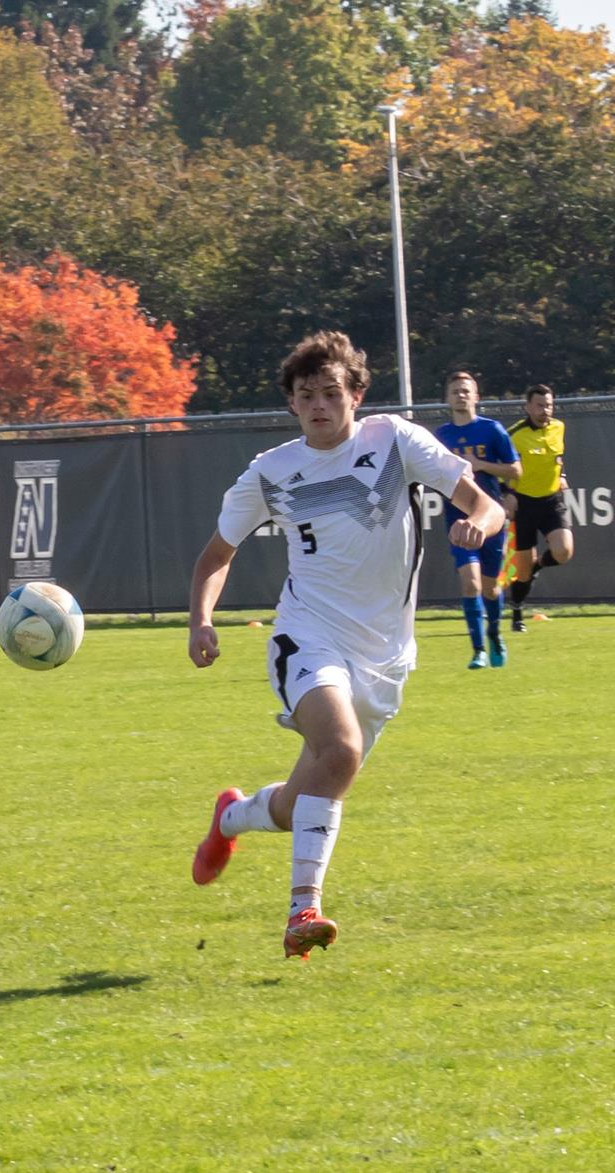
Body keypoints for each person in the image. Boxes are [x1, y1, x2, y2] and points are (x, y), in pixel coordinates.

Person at [187, 332, 502, 959]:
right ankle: (303, 909)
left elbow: (486, 504)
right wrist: (202, 618)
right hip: (308, 633)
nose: (320, 406)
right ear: (293, 406)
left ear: (357, 395)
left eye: (332, 393)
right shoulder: (270, 473)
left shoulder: (393, 440)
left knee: (309, 792)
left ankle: (232, 817)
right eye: (307, 396)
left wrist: (478, 523)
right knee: (340, 748)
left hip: (386, 657)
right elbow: (216, 556)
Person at [432, 370, 519, 669]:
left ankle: (494, 635)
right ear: (447, 398)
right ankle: (478, 649)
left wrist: (481, 464)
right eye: (455, 391)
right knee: (469, 584)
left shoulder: (492, 430)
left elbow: (515, 470)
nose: (461, 395)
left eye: (466, 390)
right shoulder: (441, 437)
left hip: (491, 519)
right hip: (458, 517)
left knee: (490, 588)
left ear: (476, 396)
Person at [505, 385, 571, 632]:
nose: (546, 410)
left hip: (551, 500)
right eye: (540, 405)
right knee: (522, 574)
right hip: (524, 505)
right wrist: (507, 494)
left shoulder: (559, 427)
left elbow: (557, 456)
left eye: (549, 405)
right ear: (528, 407)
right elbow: (503, 469)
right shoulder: (514, 435)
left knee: (563, 551)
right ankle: (517, 611)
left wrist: (561, 473)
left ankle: (538, 565)